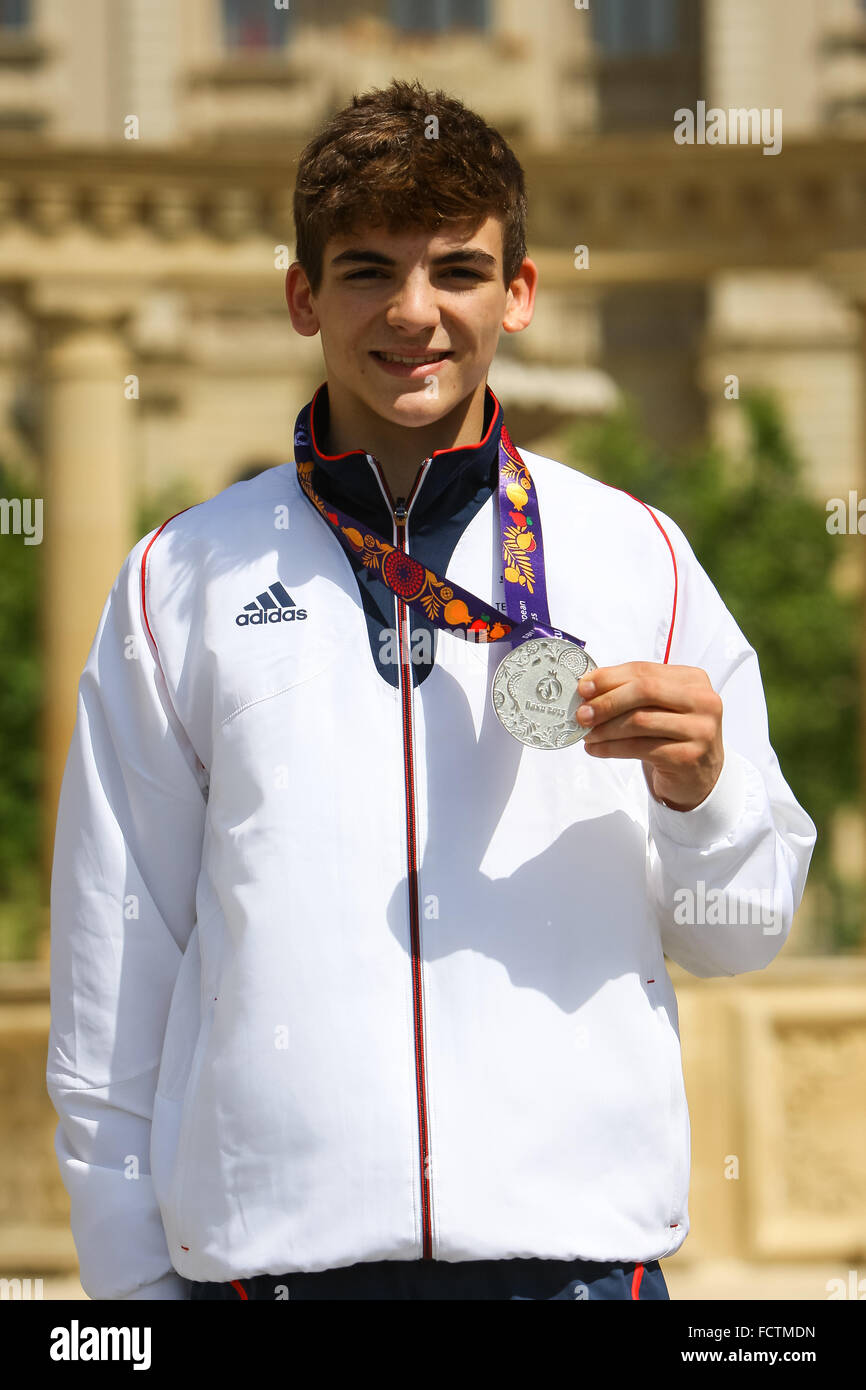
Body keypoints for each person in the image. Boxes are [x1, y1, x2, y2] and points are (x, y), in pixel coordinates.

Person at [46, 78, 817, 1302]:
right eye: (366, 272)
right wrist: (134, 1293)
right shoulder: (174, 577)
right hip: (277, 1279)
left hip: (576, 1276)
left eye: (456, 270)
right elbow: (114, 959)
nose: (413, 313)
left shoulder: (641, 556)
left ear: (517, 293)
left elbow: (743, 933)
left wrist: (703, 795)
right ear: (304, 296)